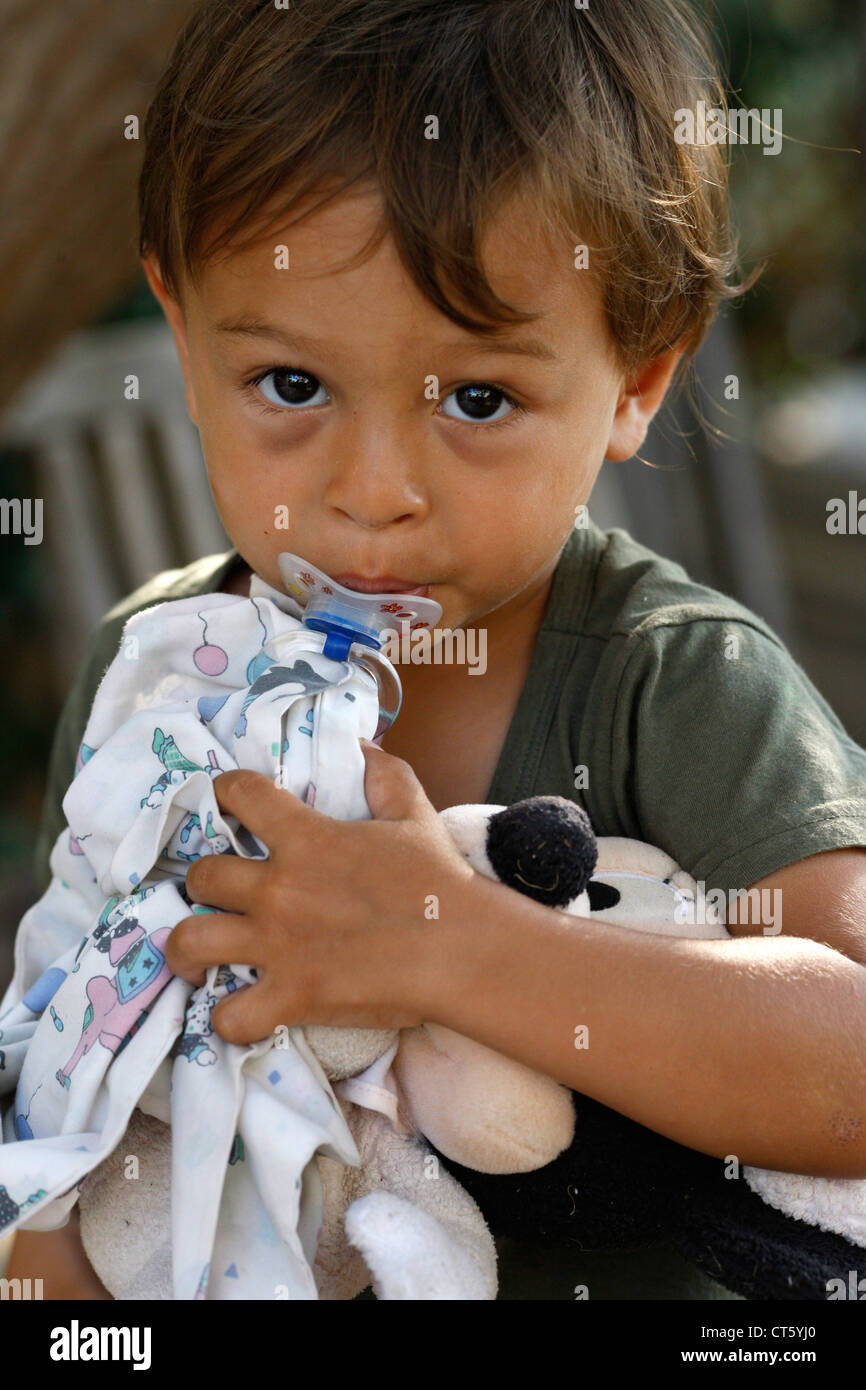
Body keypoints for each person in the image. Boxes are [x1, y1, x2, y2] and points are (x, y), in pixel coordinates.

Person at [7, 0, 866, 1300]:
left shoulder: (674, 681)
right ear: (183, 335)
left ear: (638, 378)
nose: (372, 494)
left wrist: (447, 944)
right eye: (291, 384)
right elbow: (77, 1099)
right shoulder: (158, 672)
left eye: (477, 398)